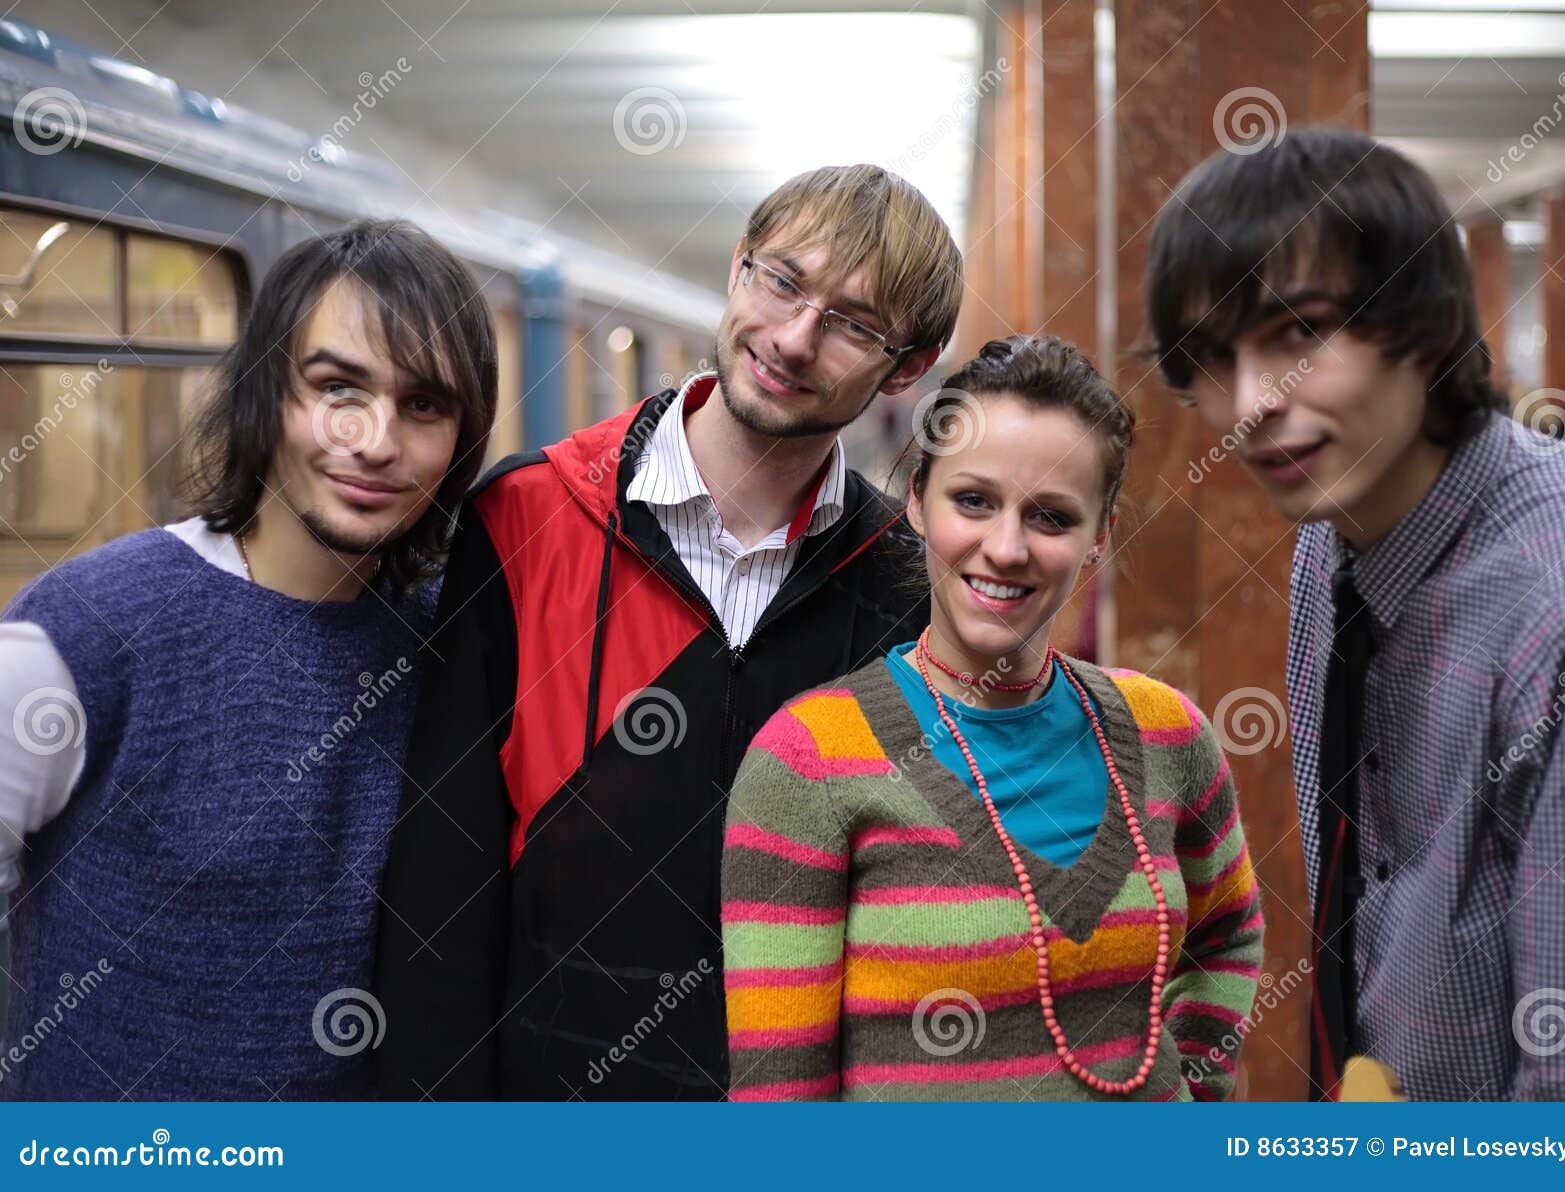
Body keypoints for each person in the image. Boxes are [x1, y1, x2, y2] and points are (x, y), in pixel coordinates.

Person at [375, 164, 963, 1100]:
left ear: (908, 366)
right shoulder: (526, 518)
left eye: (855, 324)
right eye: (782, 281)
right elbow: (442, 887)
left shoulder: (907, 587)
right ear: (737, 269)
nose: (794, 338)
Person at [1145, 126, 1565, 1100]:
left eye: (1301, 333)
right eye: (1213, 357)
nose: (1248, 403)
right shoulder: (1336, 534)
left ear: (1428, 323)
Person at [0, 219, 498, 1099]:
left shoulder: (453, 647)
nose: (375, 441)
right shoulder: (87, 630)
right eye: (337, 386)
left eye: (424, 405)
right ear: (266, 392)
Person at [720, 334, 1263, 1101]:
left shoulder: (1167, 734)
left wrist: (1195, 1097)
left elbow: (1229, 934)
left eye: (1050, 517)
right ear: (916, 500)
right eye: (973, 501)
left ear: (1100, 535)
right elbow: (782, 1109)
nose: (1005, 548)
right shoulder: (808, 762)